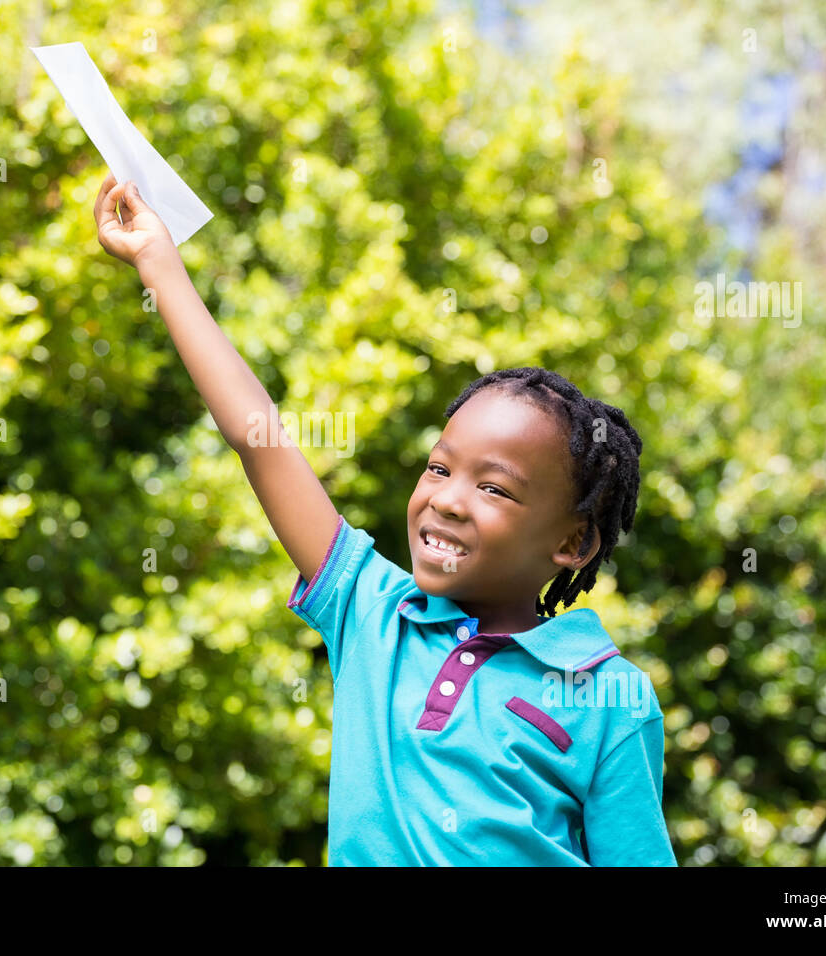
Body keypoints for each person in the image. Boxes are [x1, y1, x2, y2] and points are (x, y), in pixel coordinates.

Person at [92, 173, 676, 866]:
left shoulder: (611, 697)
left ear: (573, 542)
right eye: (438, 468)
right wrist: (159, 261)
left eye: (496, 490)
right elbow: (258, 437)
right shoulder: (373, 614)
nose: (449, 499)